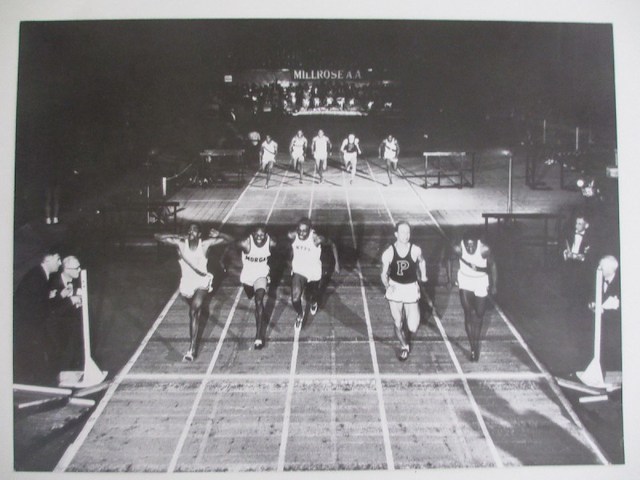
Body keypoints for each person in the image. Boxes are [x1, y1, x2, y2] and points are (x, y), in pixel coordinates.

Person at [155, 224, 233, 361]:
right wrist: (176, 235)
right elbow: (157, 236)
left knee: (193, 311)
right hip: (186, 283)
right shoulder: (180, 244)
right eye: (189, 230)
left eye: (195, 230)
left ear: (199, 235)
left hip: (201, 281)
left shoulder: (204, 245)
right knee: (194, 311)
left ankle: (191, 349)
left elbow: (230, 239)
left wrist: (220, 233)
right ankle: (197, 317)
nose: (192, 231)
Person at [380, 221, 428, 361]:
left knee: (412, 327)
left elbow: (422, 261)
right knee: (398, 322)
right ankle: (404, 346)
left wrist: (423, 275)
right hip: (396, 288)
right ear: (396, 234)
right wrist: (387, 286)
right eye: (402, 232)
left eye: (408, 232)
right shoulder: (389, 252)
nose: (406, 235)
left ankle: (412, 318)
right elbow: (383, 274)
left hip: (410, 288)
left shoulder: (415, 250)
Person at [14, 249, 62, 384]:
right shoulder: (37, 276)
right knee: (38, 357)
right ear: (48, 259)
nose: (60, 263)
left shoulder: (40, 275)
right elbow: (33, 306)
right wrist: (51, 299)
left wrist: (49, 297)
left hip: (31, 326)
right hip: (30, 327)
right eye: (57, 259)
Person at [452, 231, 498, 362]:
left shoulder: (484, 250)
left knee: (479, 314)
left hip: (480, 281)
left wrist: (494, 285)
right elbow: (449, 259)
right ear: (463, 243)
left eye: (472, 246)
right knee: (468, 312)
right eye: (467, 246)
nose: (470, 248)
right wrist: (450, 279)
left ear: (478, 243)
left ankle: (475, 340)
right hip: (465, 281)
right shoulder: (458, 248)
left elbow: (493, 265)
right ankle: (473, 347)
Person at [288, 218, 339, 330]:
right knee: (295, 299)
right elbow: (293, 245)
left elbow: (332, 244)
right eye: (299, 230)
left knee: (312, 296)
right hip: (299, 270)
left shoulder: (316, 239)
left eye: (304, 231)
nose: (301, 233)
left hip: (313, 271)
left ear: (310, 230)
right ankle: (300, 315)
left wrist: (336, 263)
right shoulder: (293, 235)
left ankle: (314, 302)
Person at [238, 225, 277, 350]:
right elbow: (230, 245)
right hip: (247, 275)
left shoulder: (271, 242)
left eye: (262, 235)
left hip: (261, 275)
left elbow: (280, 253)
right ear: (252, 234)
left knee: (258, 301)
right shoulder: (245, 243)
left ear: (266, 235)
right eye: (257, 235)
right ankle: (260, 313)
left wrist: (269, 271)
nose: (259, 237)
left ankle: (258, 337)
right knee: (251, 295)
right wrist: (222, 261)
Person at [48, 255, 84, 373]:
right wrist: (71, 301)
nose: (79, 270)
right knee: (60, 356)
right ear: (67, 270)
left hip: (71, 327)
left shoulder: (77, 281)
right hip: (55, 329)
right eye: (77, 268)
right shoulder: (53, 283)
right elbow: (52, 309)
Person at [588, 255, 621, 371]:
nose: (598, 268)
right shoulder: (597, 279)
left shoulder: (621, 285)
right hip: (598, 325)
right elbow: (590, 297)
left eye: (601, 266)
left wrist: (605, 311)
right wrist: (591, 305)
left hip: (613, 328)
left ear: (611, 269)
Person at [562, 213, 592, 307]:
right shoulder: (569, 233)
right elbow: (562, 246)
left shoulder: (590, 238)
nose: (576, 225)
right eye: (576, 223)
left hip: (582, 268)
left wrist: (582, 257)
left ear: (586, 226)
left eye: (579, 223)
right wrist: (565, 252)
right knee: (568, 291)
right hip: (569, 265)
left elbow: (591, 255)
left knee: (579, 293)